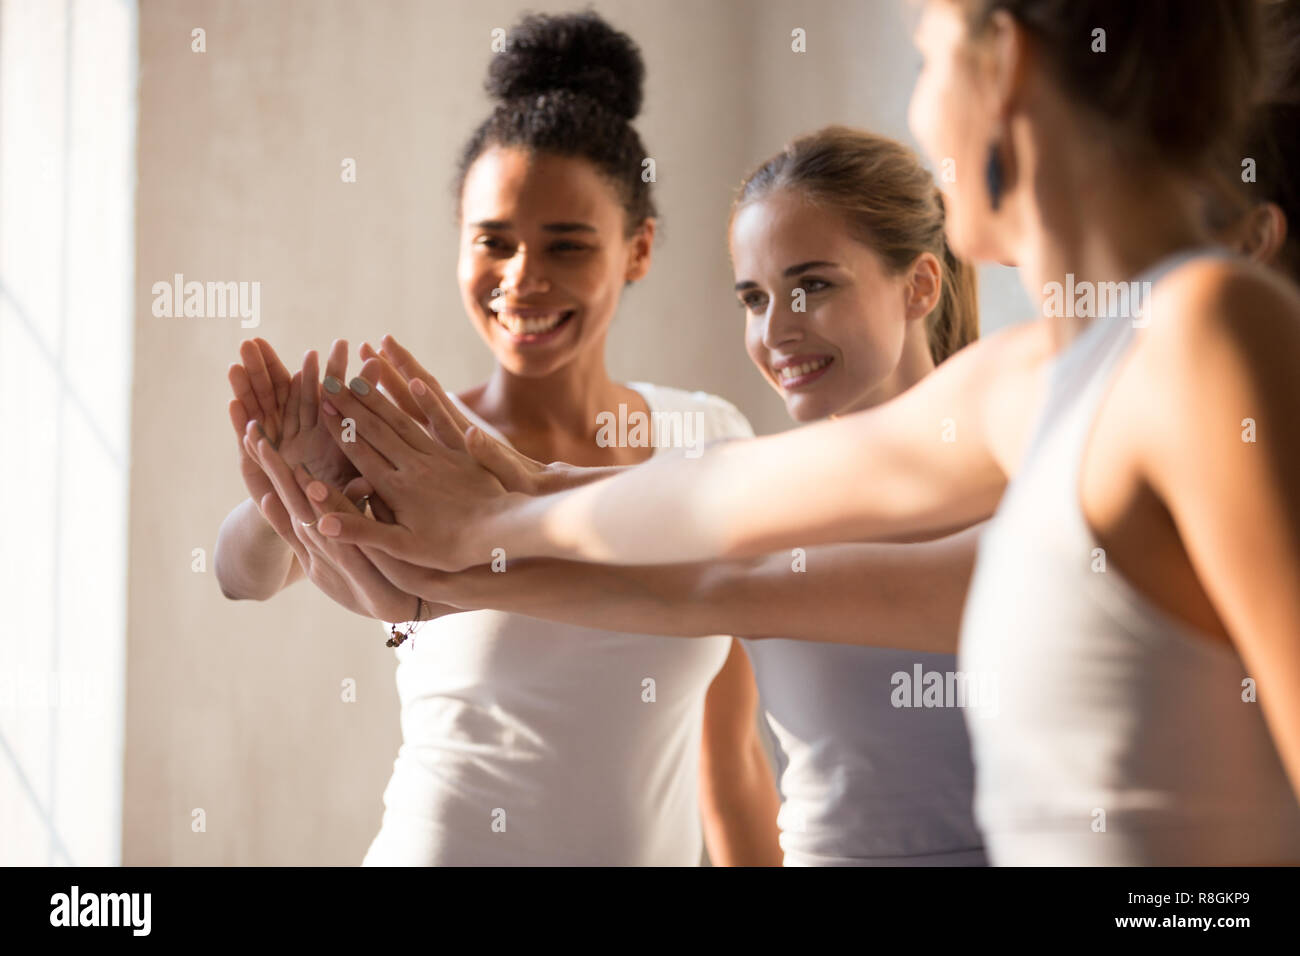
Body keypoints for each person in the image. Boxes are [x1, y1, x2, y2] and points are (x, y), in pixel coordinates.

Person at [290, 0, 1300, 865]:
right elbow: (714, 519)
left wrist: (489, 528)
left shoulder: (1209, 334)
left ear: (1006, 69)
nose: (917, 104)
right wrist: (465, 541)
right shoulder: (1026, 376)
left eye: (926, 50)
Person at [217, 11, 762, 866]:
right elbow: (241, 576)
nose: (522, 279)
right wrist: (283, 484)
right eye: (492, 242)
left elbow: (729, 759)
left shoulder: (710, 437)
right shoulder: (413, 443)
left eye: (567, 245)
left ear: (639, 249)